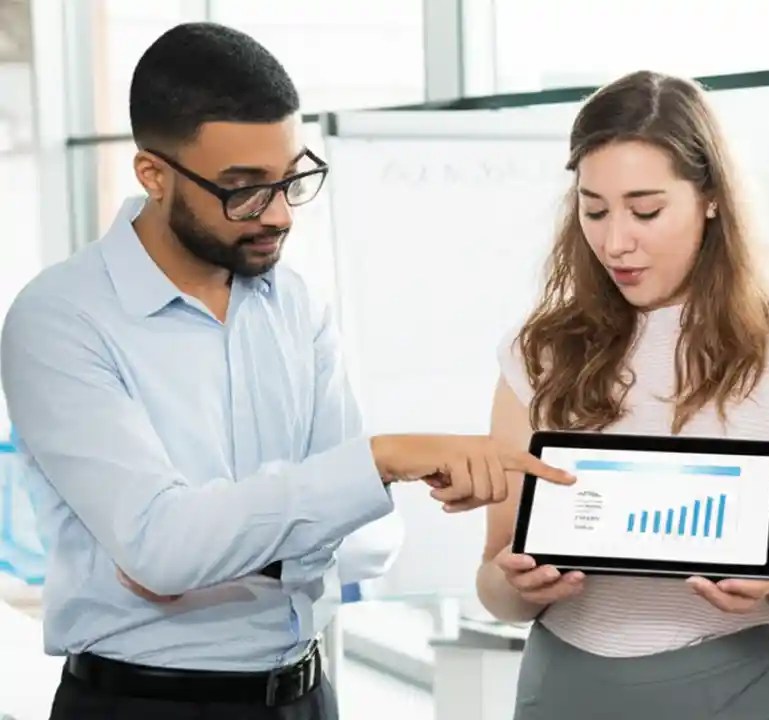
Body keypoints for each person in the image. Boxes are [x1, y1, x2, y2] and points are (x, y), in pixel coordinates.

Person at [0, 22, 571, 720]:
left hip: (305, 695)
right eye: (243, 190)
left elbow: (368, 543)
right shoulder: (61, 319)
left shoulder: (294, 303)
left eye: (290, 179)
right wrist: (373, 466)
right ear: (153, 175)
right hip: (143, 703)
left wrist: (218, 549)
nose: (277, 215)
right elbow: (167, 550)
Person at [473, 69, 769, 719]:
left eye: (646, 211)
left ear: (711, 197)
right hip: (564, 687)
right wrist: (516, 583)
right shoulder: (538, 352)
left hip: (739, 690)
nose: (615, 242)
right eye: (594, 210)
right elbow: (495, 585)